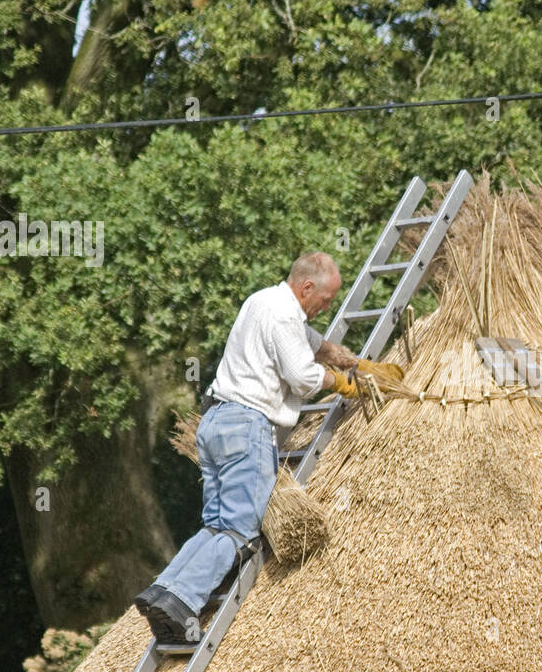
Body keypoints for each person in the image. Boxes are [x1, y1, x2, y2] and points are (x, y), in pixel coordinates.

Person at [135, 251, 380, 643]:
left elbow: (316, 346)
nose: (327, 306)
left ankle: (163, 591)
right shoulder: (285, 316)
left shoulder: (263, 301)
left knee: (216, 524)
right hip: (246, 427)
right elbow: (301, 375)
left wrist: (356, 363)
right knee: (240, 531)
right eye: (327, 298)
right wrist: (343, 384)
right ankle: (184, 599)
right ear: (306, 287)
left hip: (216, 423)